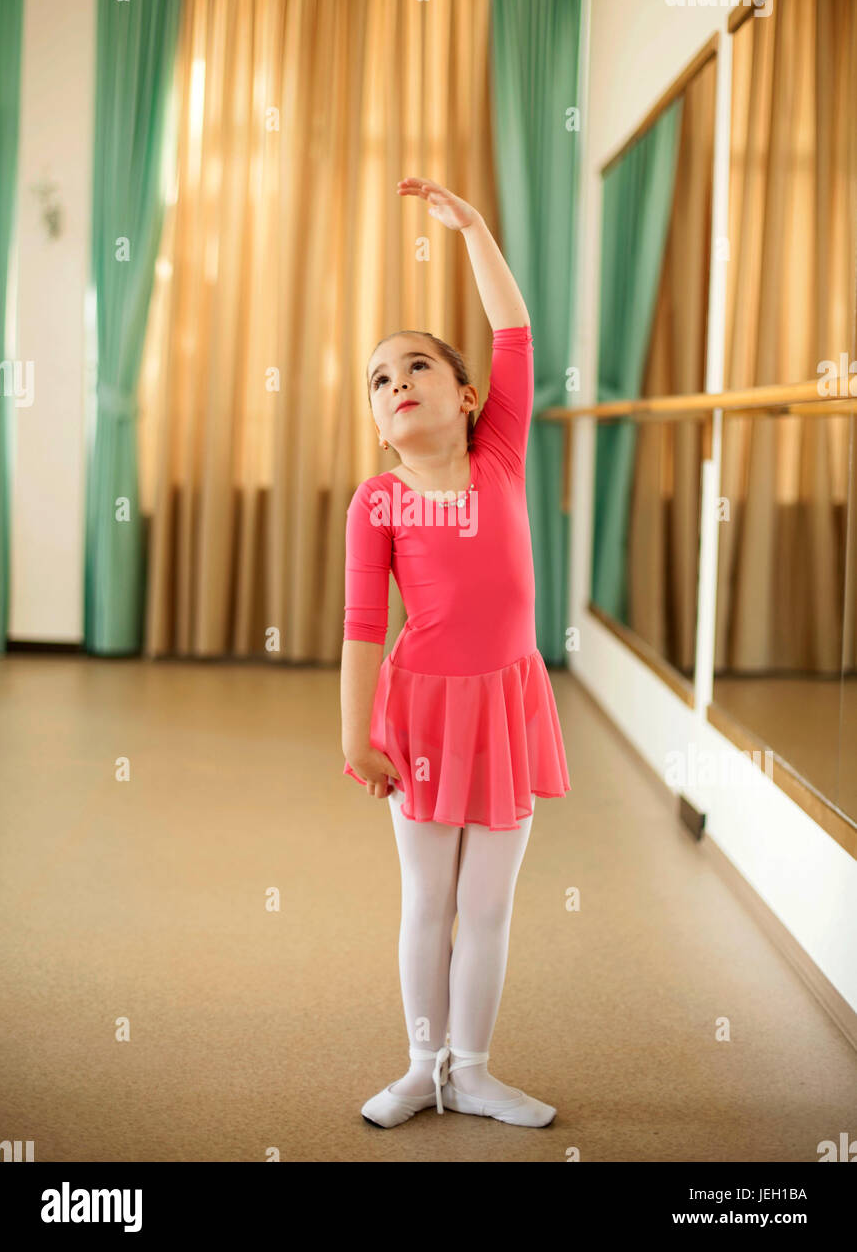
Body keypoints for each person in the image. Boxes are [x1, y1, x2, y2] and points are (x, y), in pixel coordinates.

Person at [340, 177, 571, 1129]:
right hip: (421, 712)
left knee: (489, 904)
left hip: (508, 705)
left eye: (416, 369)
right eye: (381, 380)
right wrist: (357, 737)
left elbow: (514, 331)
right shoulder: (377, 501)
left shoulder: (500, 456)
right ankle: (419, 1065)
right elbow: (360, 629)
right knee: (426, 898)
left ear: (467, 395)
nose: (397, 385)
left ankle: (472, 1071)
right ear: (378, 418)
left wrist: (473, 229)